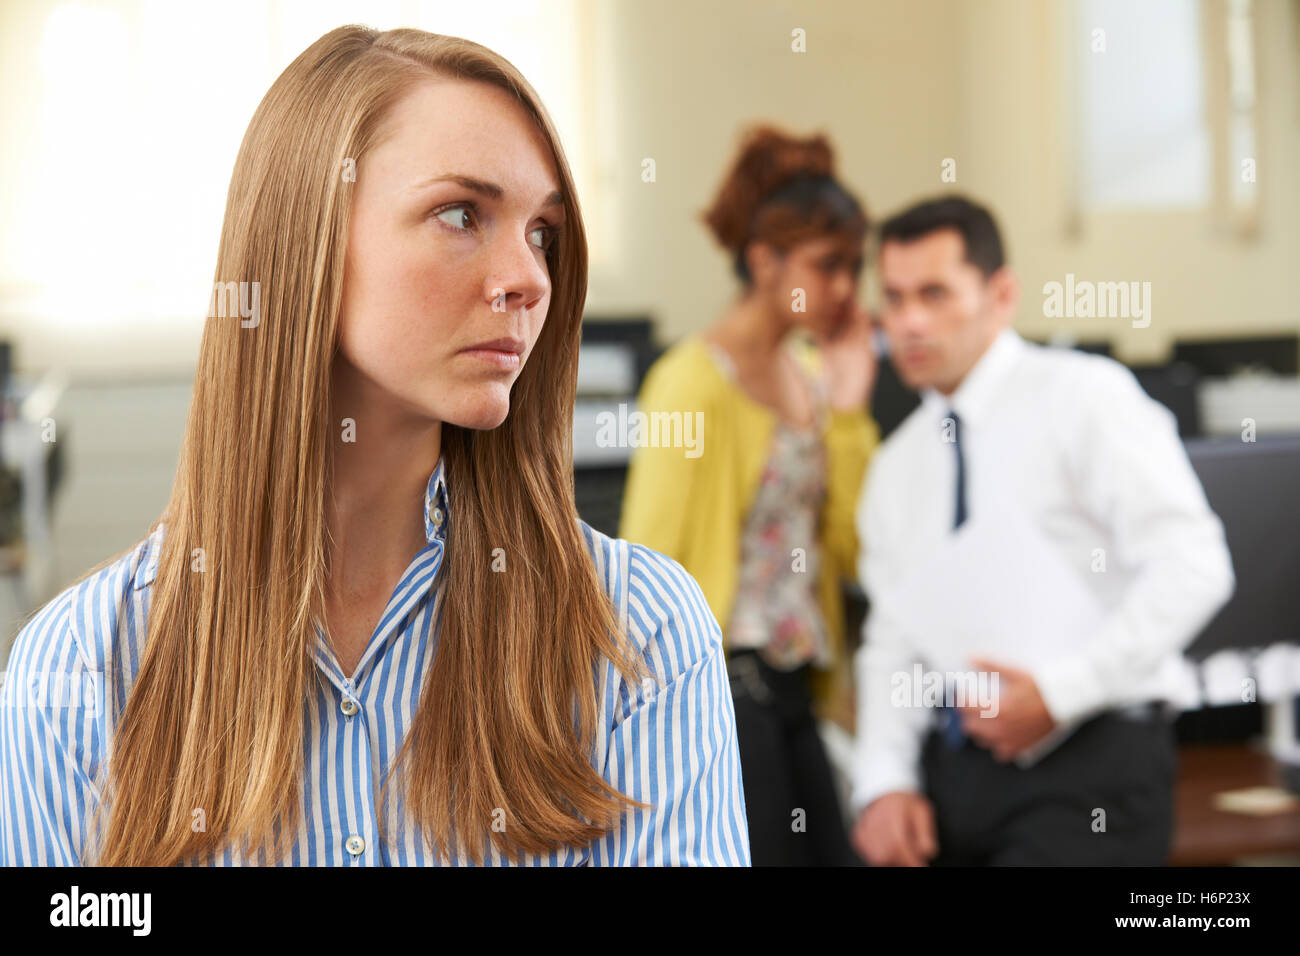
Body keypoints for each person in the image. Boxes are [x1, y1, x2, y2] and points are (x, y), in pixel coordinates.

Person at [0, 25, 749, 867]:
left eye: (542, 231)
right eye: (462, 214)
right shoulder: (79, 668)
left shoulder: (639, 637)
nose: (531, 276)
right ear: (305, 244)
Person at [849, 195, 1235, 866]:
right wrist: (885, 781)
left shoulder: (1086, 398)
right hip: (955, 771)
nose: (908, 321)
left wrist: (1061, 693)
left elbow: (1195, 566)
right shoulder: (896, 466)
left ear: (1001, 295)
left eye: (935, 294)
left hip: (1093, 763)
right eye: (895, 297)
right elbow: (894, 640)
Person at [619, 125, 880, 866]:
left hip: (800, 682)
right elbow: (648, 560)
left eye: (852, 268)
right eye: (827, 266)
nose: (844, 290)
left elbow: (858, 544)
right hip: (723, 687)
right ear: (765, 262)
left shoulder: (815, 377)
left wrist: (853, 412)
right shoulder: (692, 383)